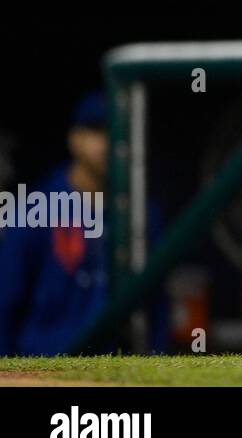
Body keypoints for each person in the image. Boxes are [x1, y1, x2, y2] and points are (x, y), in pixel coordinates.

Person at [0, 92, 167, 355]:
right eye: (96, 130)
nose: (107, 142)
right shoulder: (35, 210)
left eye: (117, 131)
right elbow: (6, 302)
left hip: (115, 366)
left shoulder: (143, 212)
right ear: (74, 138)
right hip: (40, 366)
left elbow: (156, 305)